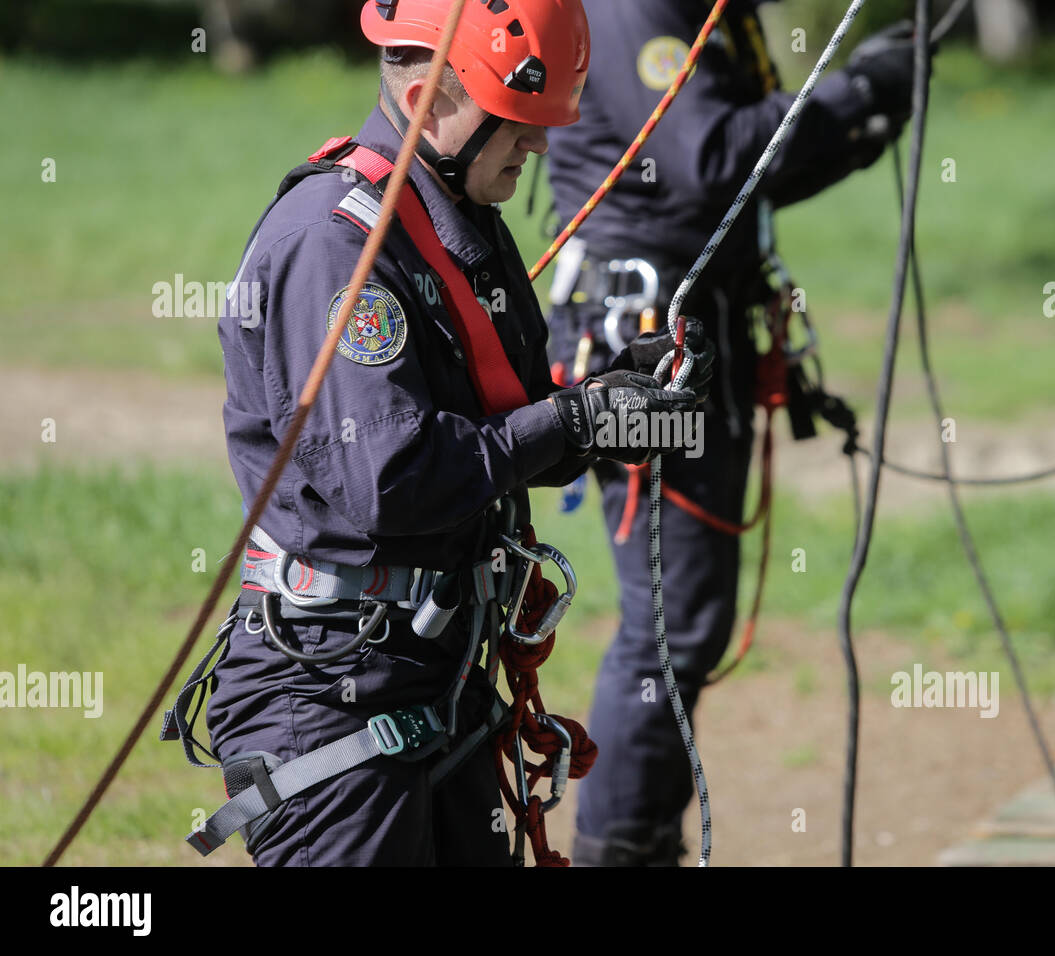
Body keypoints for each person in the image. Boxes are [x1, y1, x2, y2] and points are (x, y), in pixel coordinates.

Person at [174, 0, 713, 867]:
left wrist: (617, 400)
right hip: (331, 688)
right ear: (431, 98)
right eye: (520, 127)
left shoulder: (453, 222)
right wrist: (571, 419)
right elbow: (396, 482)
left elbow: (501, 425)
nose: (539, 149)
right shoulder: (335, 248)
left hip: (439, 669)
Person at [544, 1, 927, 865]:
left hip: (697, 324)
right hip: (649, 340)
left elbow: (753, 161)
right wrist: (859, 90)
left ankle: (637, 841)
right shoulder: (639, 4)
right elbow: (713, 153)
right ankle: (621, 851)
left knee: (688, 620)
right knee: (672, 622)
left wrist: (865, 105)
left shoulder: (707, 7)